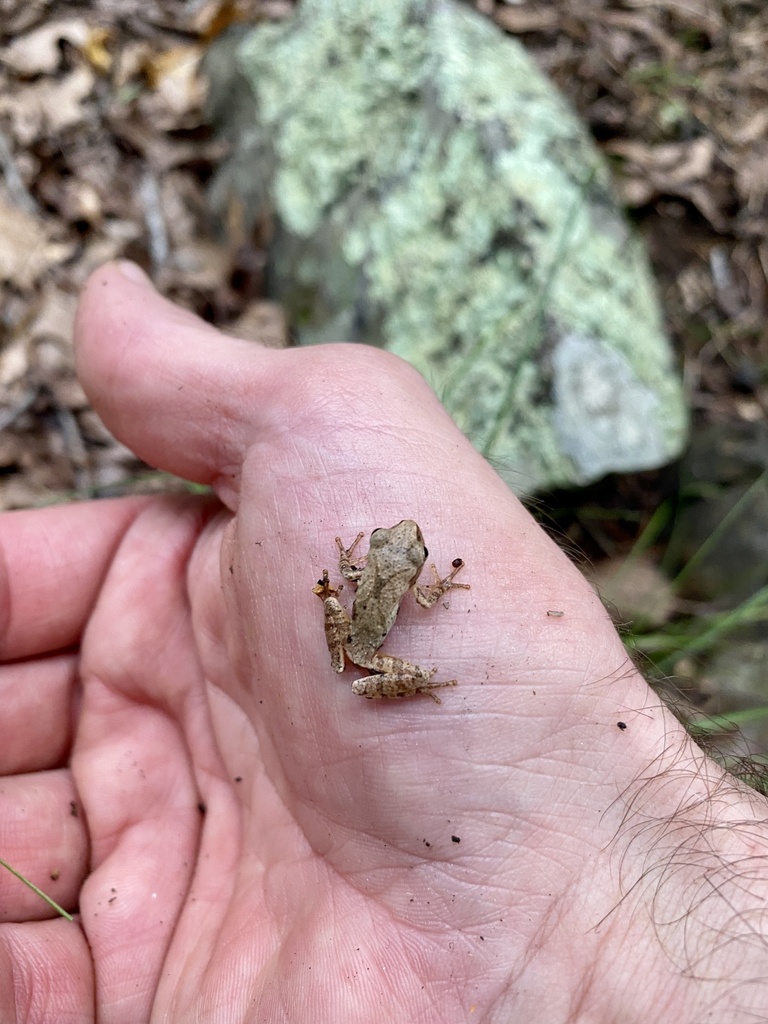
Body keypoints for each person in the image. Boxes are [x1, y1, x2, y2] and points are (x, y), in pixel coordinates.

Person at [1, 260, 766, 1024]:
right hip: (361, 656)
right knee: (384, 659)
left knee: (360, 642)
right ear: (395, 563)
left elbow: (411, 592)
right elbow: (425, 595)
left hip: (352, 640)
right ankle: (403, 670)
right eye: (405, 548)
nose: (409, 547)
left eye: (406, 547)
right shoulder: (404, 579)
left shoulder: (386, 573)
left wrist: (358, 587)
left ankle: (387, 658)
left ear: (391, 565)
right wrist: (428, 597)